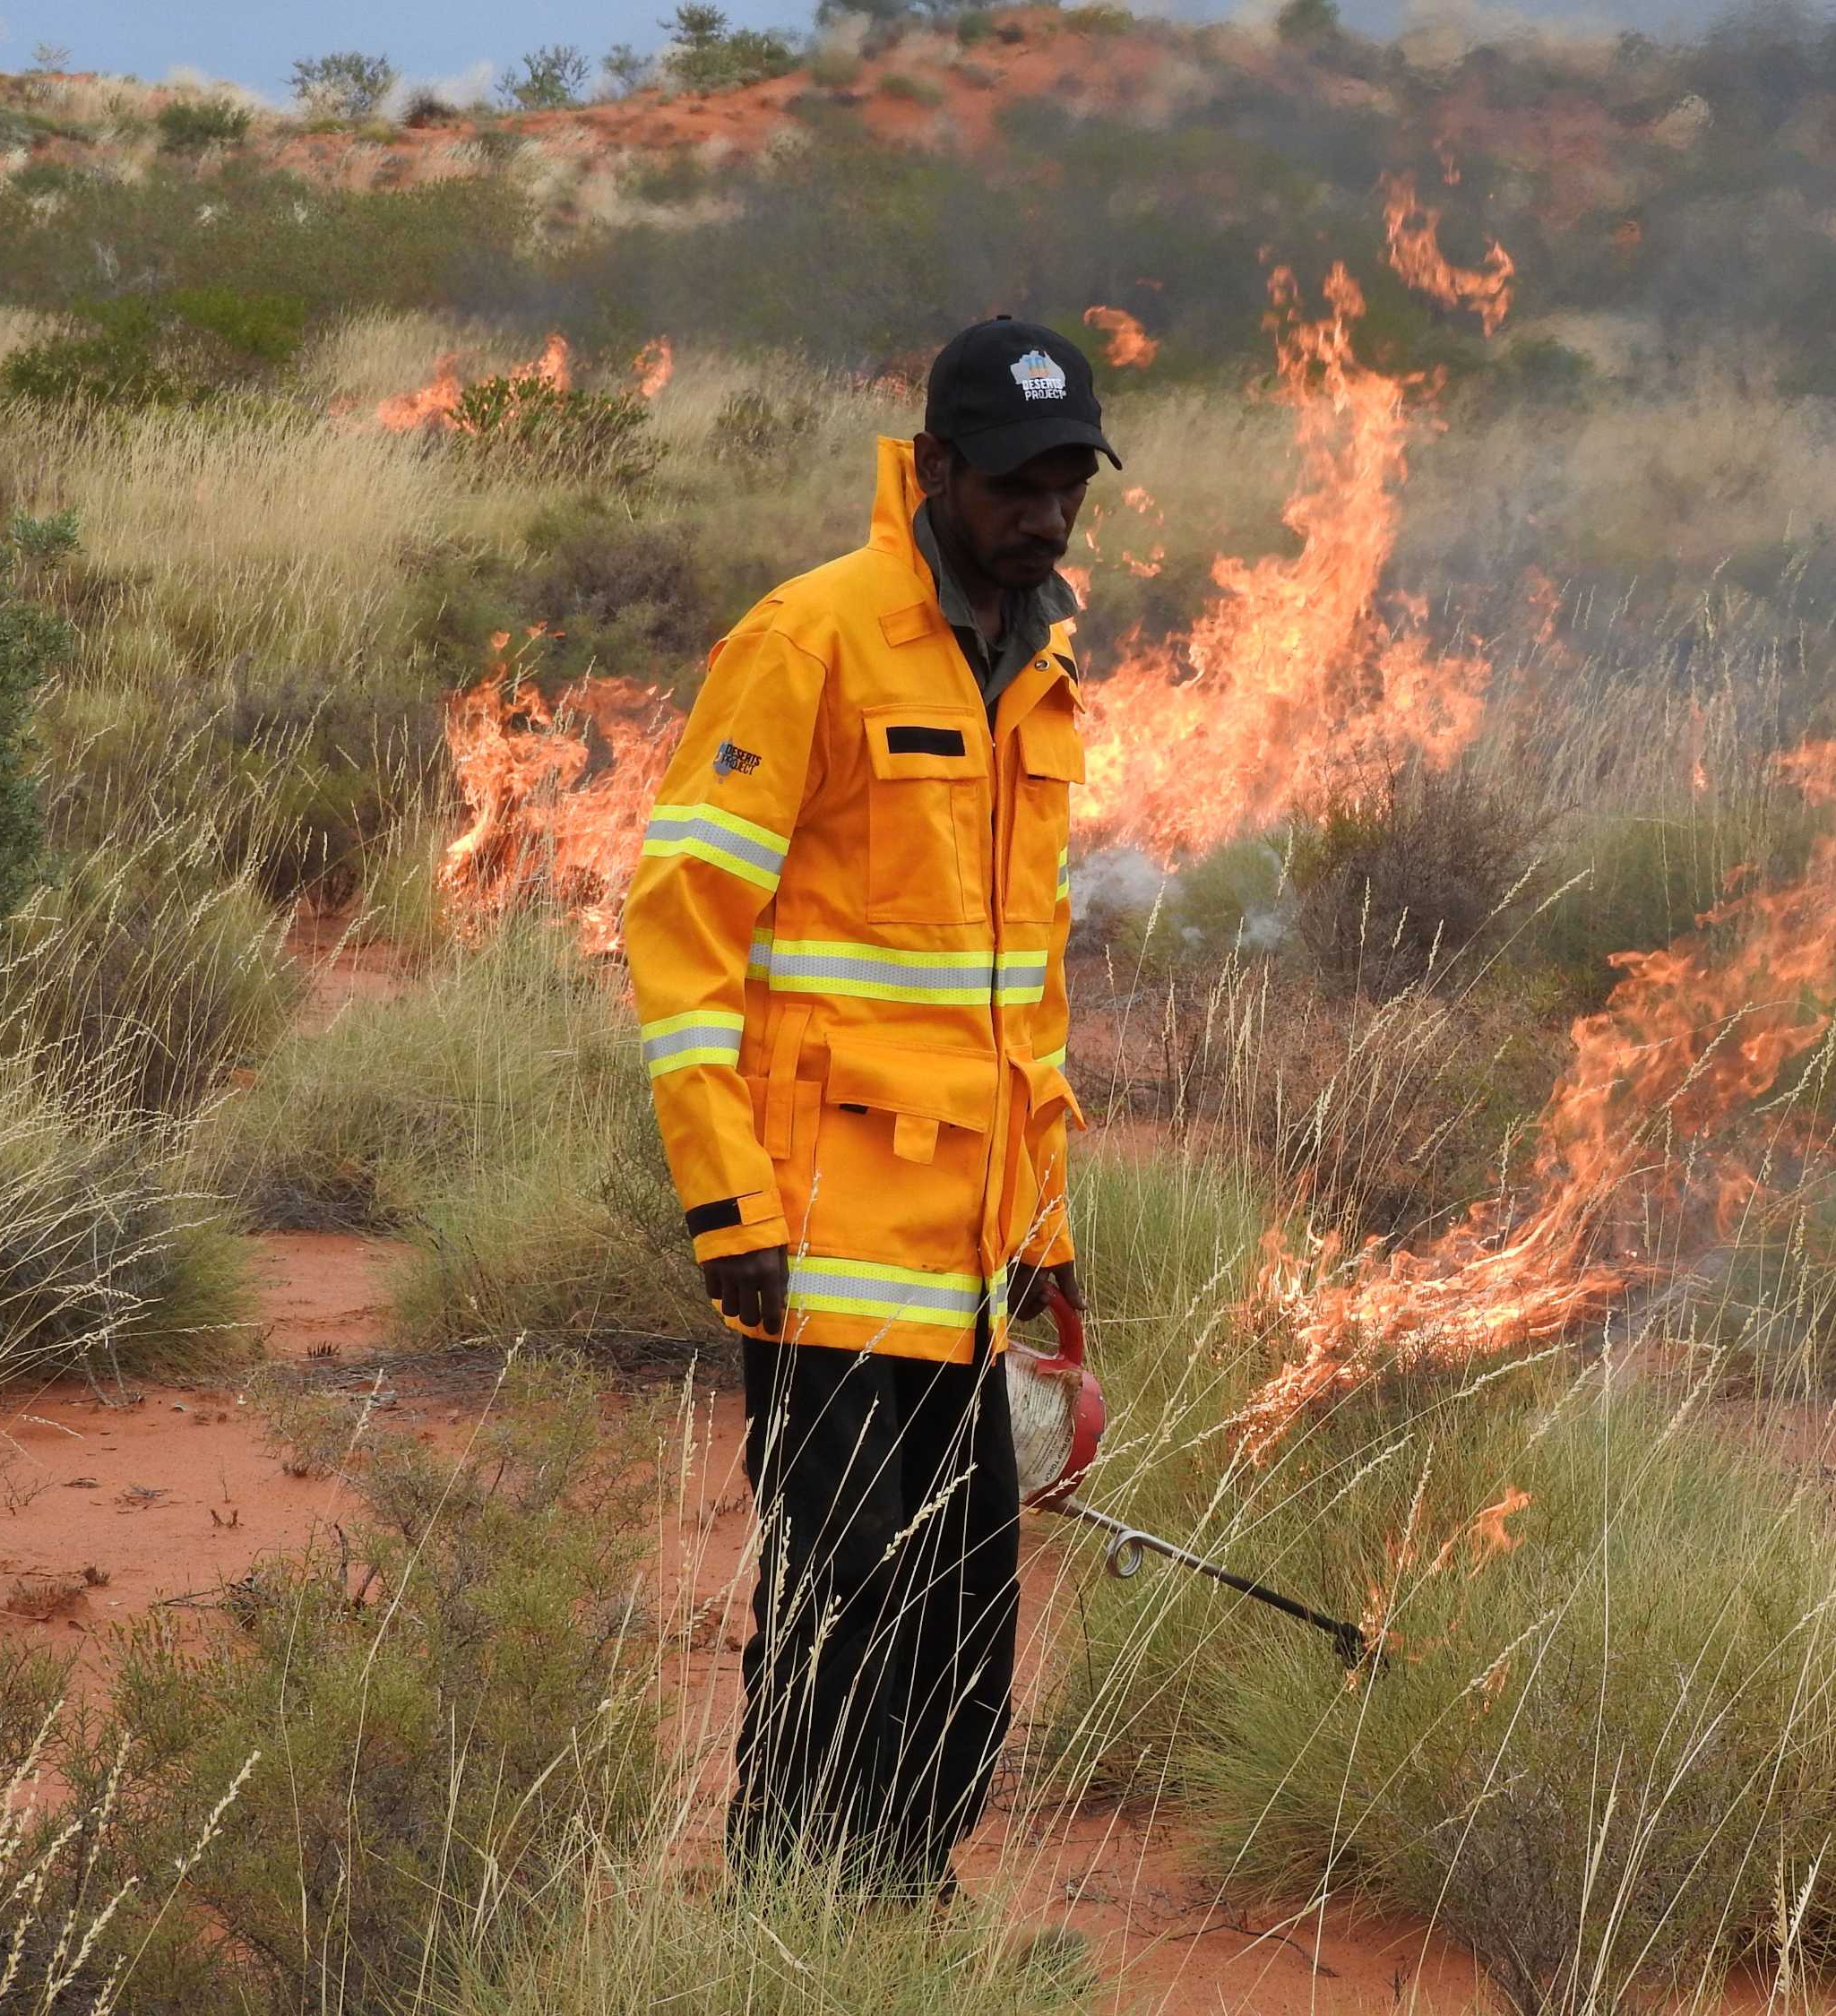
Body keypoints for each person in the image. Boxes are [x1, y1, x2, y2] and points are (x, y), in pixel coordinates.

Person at [624, 316, 1113, 1891]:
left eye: (1071, 485)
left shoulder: (1043, 672)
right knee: (841, 1613)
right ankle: (782, 1927)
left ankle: (895, 1914)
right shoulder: (809, 640)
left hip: (967, 1270)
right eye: (1021, 483)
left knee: (966, 1656)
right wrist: (725, 1198)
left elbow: (1019, 995)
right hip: (817, 1249)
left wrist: (1042, 1239)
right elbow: (680, 921)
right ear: (942, 466)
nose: (1047, 515)